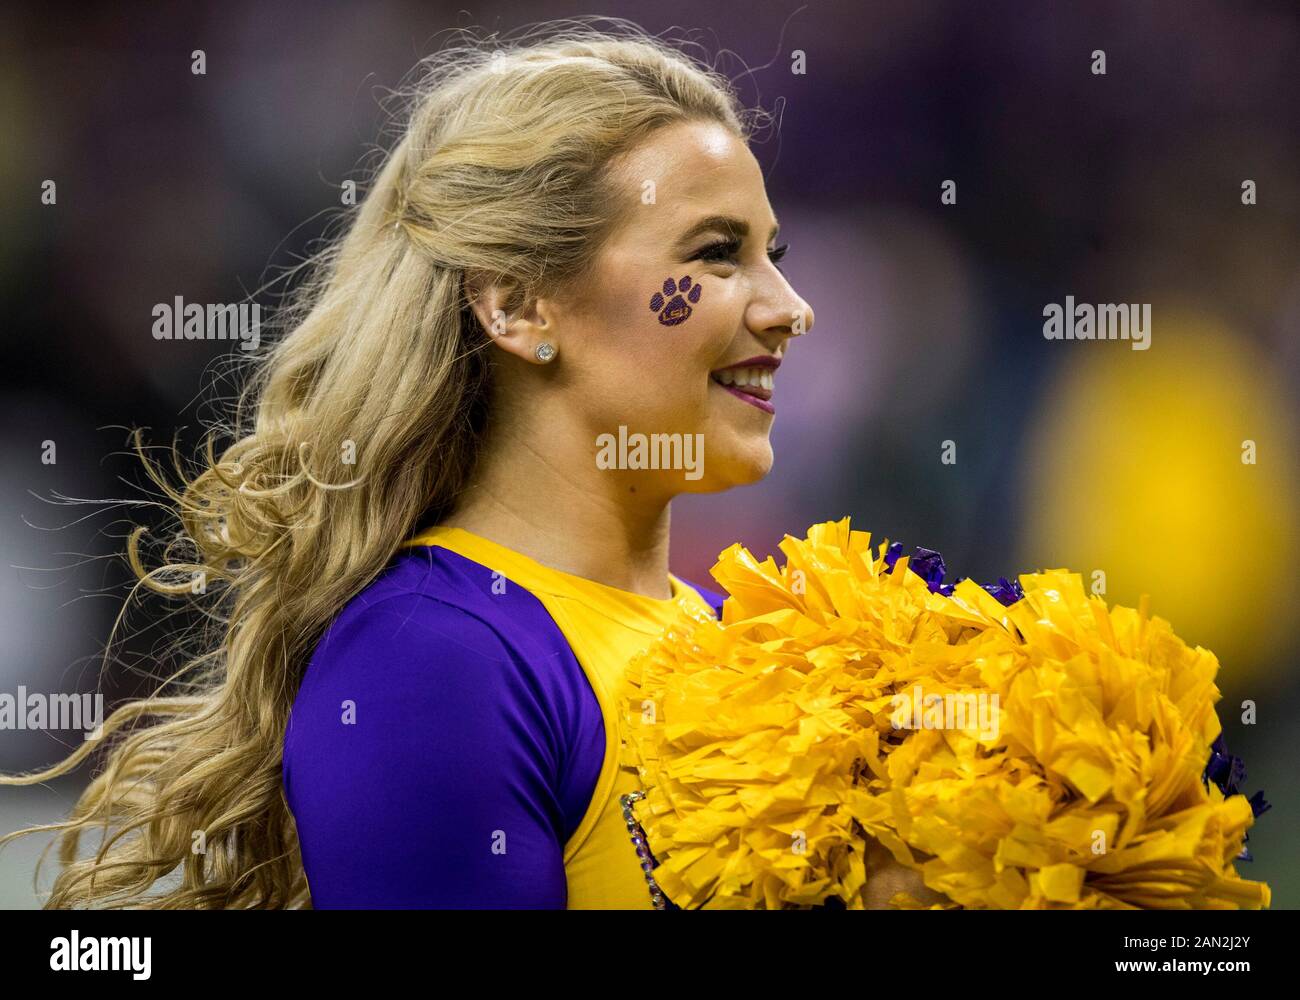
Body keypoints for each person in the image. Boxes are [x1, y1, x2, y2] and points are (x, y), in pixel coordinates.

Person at [4, 24, 946, 909]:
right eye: (717, 253)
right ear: (519, 307)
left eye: (772, 253)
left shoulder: (727, 631)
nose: (791, 307)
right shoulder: (436, 660)